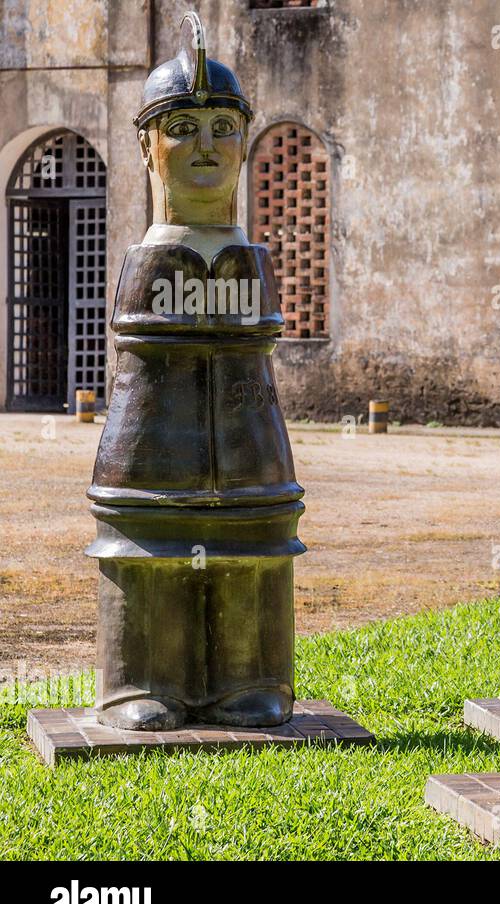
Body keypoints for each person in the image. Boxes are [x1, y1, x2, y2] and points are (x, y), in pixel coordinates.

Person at [88, 13, 304, 730]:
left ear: (245, 139)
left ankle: (250, 677)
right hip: (153, 442)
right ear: (146, 144)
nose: (206, 144)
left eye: (222, 125)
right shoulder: (144, 260)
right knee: (150, 554)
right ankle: (140, 680)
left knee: (254, 548)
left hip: (249, 438)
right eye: (183, 125)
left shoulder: (254, 260)